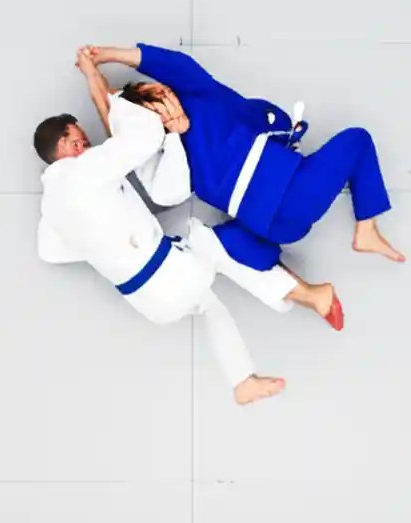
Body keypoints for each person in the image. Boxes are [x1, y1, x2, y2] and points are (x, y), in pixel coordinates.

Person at [32, 51, 342, 406]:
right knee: (215, 241)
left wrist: (98, 240)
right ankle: (310, 295)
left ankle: (243, 380)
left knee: (209, 305)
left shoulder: (51, 209)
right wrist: (170, 128)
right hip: (170, 272)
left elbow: (49, 251)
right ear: (68, 145)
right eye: (82, 141)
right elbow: (139, 138)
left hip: (148, 303)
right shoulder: (86, 168)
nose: (88, 145)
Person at [79, 43, 405, 273]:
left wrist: (99, 62)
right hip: (291, 198)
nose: (162, 89)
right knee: (357, 140)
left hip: (271, 226)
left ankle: (279, 270)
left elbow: (168, 69)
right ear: (148, 107)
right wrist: (176, 134)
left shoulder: (182, 114)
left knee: (230, 239)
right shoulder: (167, 139)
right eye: (153, 92)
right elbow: (124, 118)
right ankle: (366, 228)